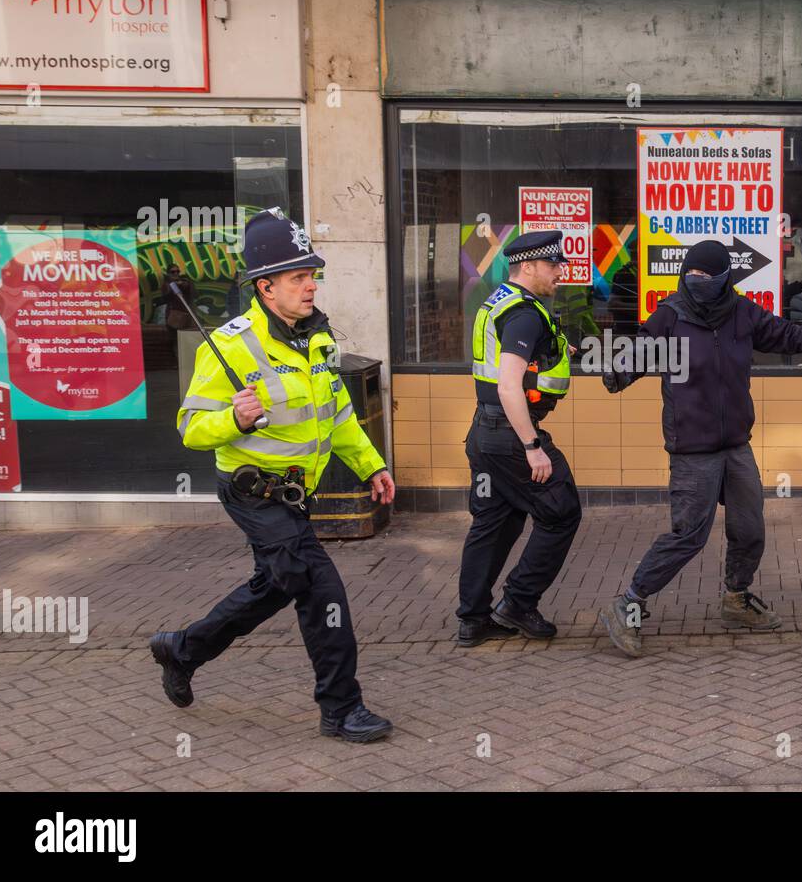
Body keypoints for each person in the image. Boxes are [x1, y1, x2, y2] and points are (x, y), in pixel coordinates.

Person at [150, 208, 398, 742]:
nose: (311, 286)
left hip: (295, 495)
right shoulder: (231, 345)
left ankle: (183, 649)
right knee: (320, 587)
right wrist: (232, 418)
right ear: (266, 287)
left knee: (279, 583)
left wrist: (370, 465)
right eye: (298, 278)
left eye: (312, 276)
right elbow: (191, 429)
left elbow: (337, 417)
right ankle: (341, 708)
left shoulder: (320, 339)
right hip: (251, 491)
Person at [597, 239, 802, 657]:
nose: (698, 281)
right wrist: (619, 370)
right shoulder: (671, 317)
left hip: (736, 446)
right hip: (693, 450)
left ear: (725, 278)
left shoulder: (742, 314)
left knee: (750, 530)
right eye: (693, 274)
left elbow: (788, 334)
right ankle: (629, 604)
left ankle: (736, 599)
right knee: (688, 536)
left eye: (708, 276)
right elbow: (639, 348)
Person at [456, 230, 582, 647]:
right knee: (561, 510)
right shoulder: (524, 313)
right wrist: (533, 447)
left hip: (486, 433)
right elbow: (510, 385)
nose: (560, 272)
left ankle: (473, 619)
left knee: (494, 523)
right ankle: (518, 603)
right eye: (553, 265)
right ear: (528, 267)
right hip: (511, 436)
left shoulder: (500, 302)